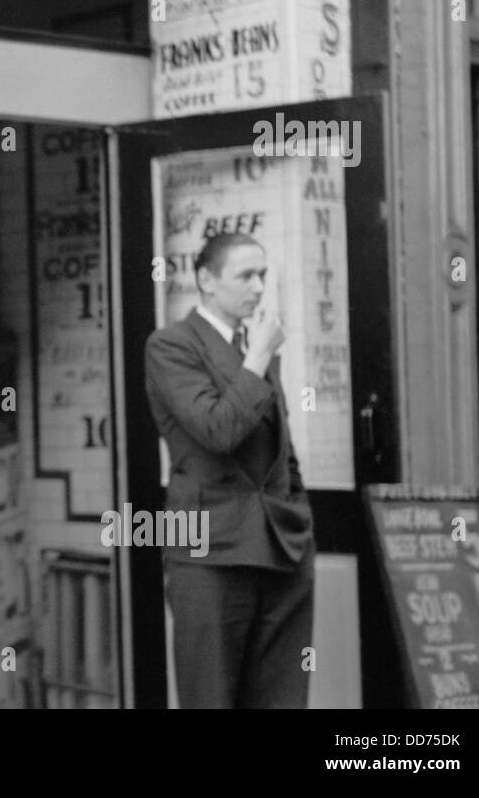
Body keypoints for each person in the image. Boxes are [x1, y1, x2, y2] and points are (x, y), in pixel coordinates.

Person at [144, 232, 314, 708]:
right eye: (245, 275)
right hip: (210, 551)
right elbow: (218, 431)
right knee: (212, 697)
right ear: (206, 280)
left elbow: (283, 448)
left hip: (281, 544)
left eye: (263, 274)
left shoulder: (252, 346)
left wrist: (298, 510)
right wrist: (259, 355)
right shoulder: (170, 346)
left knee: (282, 697)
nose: (259, 287)